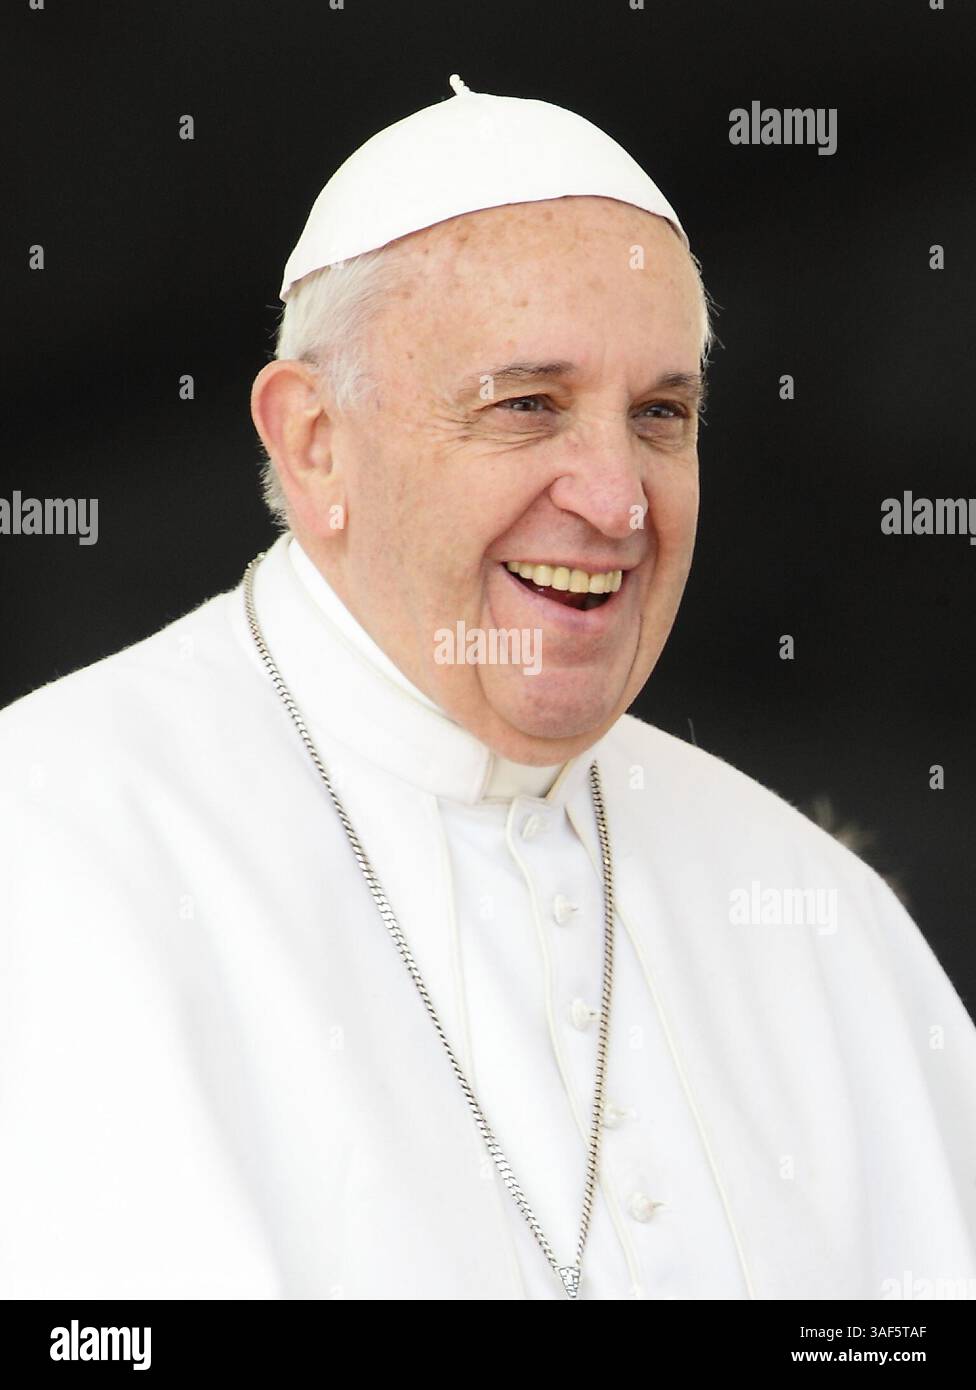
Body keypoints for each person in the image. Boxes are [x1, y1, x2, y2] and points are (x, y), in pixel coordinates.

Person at [1, 76, 974, 1302]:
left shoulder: (816, 909)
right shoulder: (46, 840)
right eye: (528, 406)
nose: (616, 500)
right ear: (313, 442)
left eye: (661, 415)